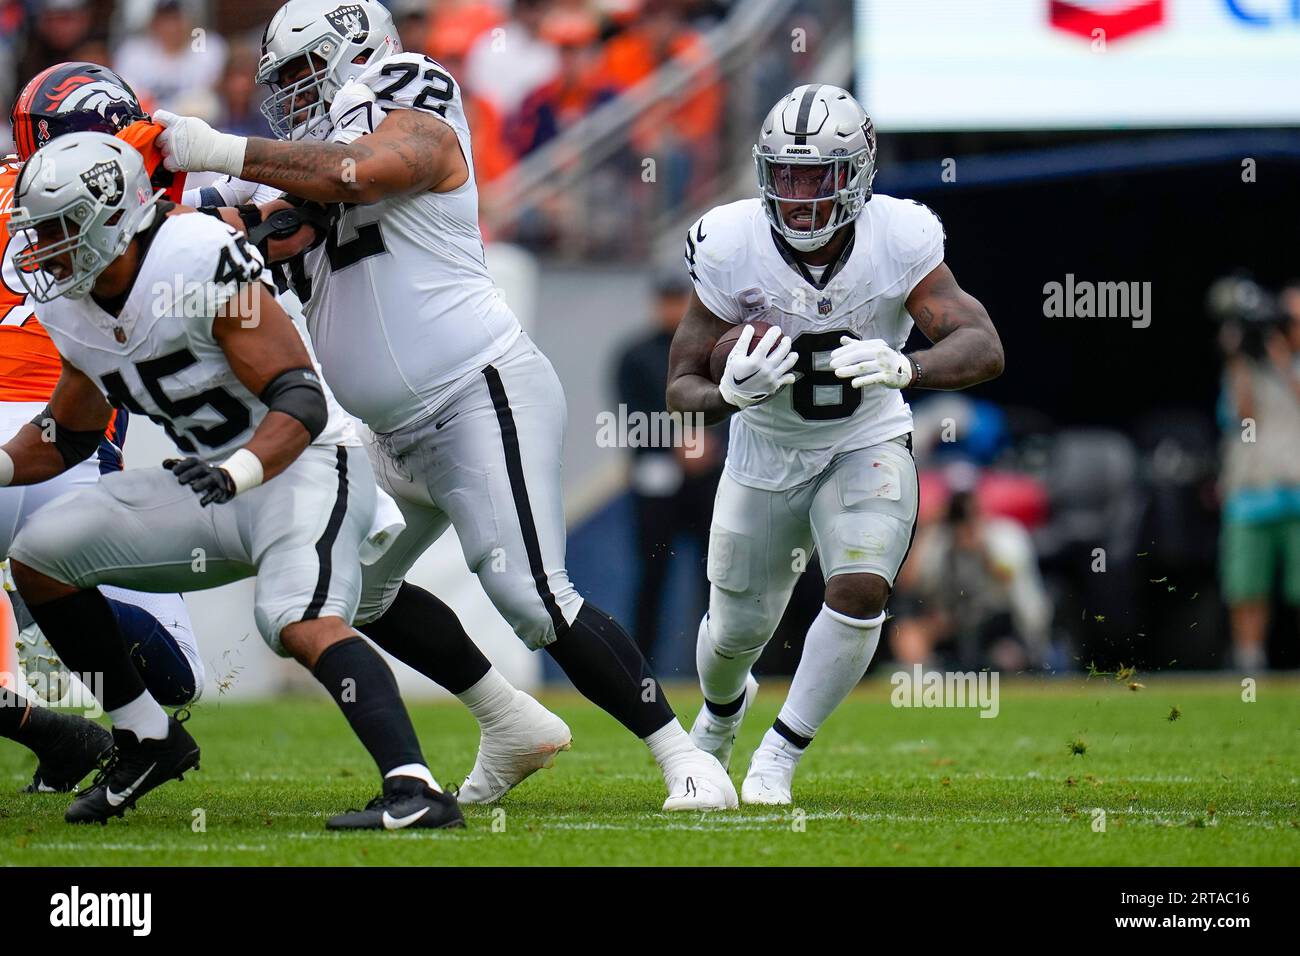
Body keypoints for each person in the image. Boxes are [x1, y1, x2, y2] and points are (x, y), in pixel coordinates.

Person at [156, 0, 737, 810]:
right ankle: (510, 723)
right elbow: (274, 220)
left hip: (476, 391)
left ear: (357, 51)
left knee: (529, 595)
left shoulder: (410, 91)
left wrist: (223, 149)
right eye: (278, 79)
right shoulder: (301, 160)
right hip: (390, 429)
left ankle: (684, 756)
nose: (289, 92)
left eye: (300, 71)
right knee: (352, 589)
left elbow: (367, 169)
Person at [0, 131, 460, 830]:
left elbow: (299, 398)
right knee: (41, 555)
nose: (45, 250)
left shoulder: (192, 259)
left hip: (302, 464)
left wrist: (237, 470)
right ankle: (146, 737)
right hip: (208, 482)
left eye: (61, 229)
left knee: (297, 620)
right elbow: (69, 433)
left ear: (111, 218)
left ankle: (414, 788)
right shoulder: (72, 305)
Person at [666, 84, 1004, 804]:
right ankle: (721, 723)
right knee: (734, 629)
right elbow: (679, 387)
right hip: (764, 449)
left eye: (816, 175)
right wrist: (731, 394)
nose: (797, 194)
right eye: (783, 173)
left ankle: (779, 756)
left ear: (856, 172)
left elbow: (983, 346)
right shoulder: (730, 242)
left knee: (858, 587)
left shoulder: (900, 236)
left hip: (864, 438)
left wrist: (907, 366)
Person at [0, 62, 205, 795]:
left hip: (42, 437)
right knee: (177, 674)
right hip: (71, 442)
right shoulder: (162, 188)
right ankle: (53, 654)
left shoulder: (19, 194)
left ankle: (42, 665)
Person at [615, 271, 721, 656]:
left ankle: (716, 659)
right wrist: (676, 443)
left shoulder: (710, 352)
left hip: (705, 477)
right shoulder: (635, 355)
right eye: (668, 301)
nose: (673, 310)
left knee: (713, 573)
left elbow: (731, 406)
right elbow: (630, 417)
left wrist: (708, 444)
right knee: (653, 571)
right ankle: (641, 661)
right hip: (657, 480)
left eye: (680, 301)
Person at [1214, 277, 1300, 671]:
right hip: (1252, 496)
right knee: (1247, 587)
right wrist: (1239, 359)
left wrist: (1284, 362)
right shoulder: (1246, 367)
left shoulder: (1289, 367)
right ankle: (1250, 664)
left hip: (1295, 492)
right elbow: (1244, 416)